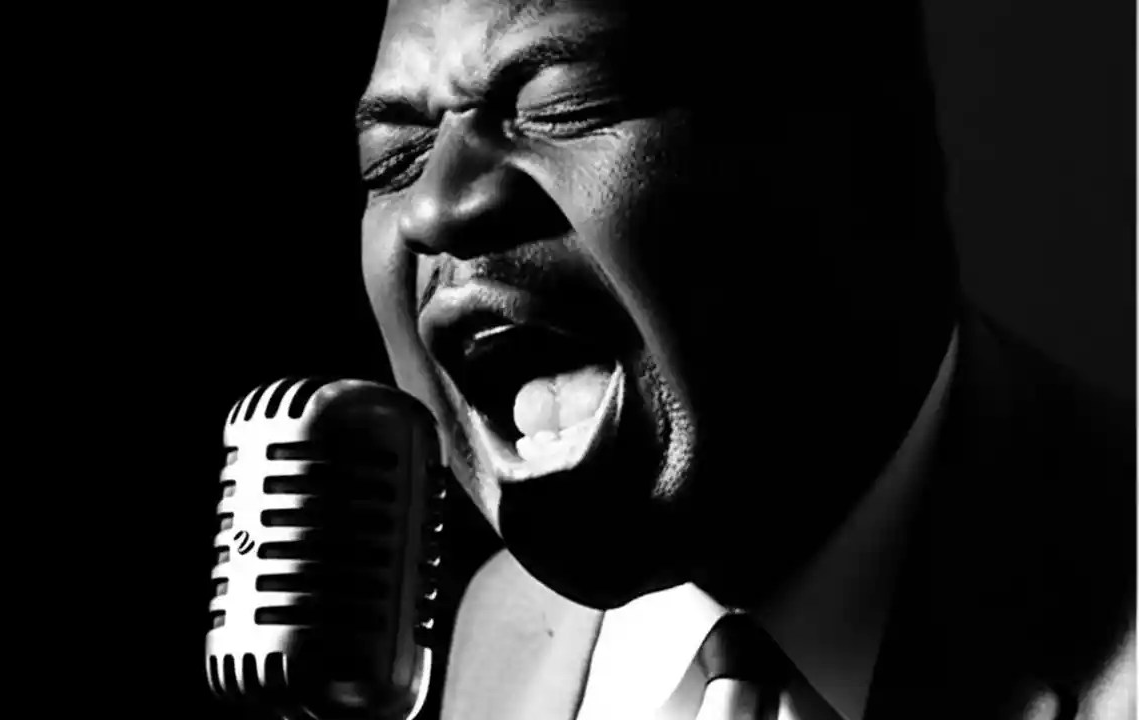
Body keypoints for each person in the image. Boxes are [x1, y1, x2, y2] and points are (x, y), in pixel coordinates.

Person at [354, 0, 1136, 718]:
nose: (433, 206)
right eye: (392, 158)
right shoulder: (499, 628)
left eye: (567, 103)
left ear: (869, 140)